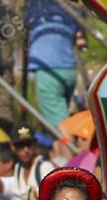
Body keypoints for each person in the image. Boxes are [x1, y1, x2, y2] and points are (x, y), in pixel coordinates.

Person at [26, 0, 85, 128]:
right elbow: (80, 38)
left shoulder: (36, 5)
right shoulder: (71, 8)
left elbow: (25, 23)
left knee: (61, 127)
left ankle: (71, 147)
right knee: (58, 121)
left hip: (48, 71)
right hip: (68, 70)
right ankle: (64, 146)